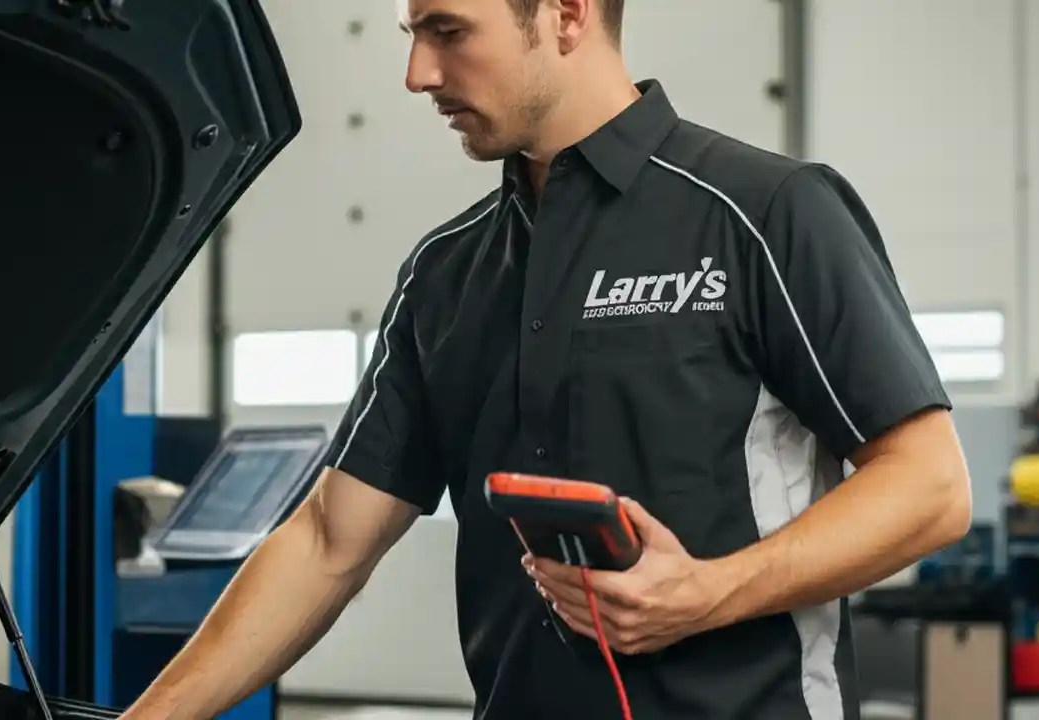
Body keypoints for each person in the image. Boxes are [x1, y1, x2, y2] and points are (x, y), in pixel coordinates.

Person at [119, 0, 973, 718]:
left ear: (565, 15)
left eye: (448, 32)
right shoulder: (445, 274)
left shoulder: (765, 213)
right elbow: (326, 540)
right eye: (413, 34)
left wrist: (710, 592)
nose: (418, 74)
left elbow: (928, 487)